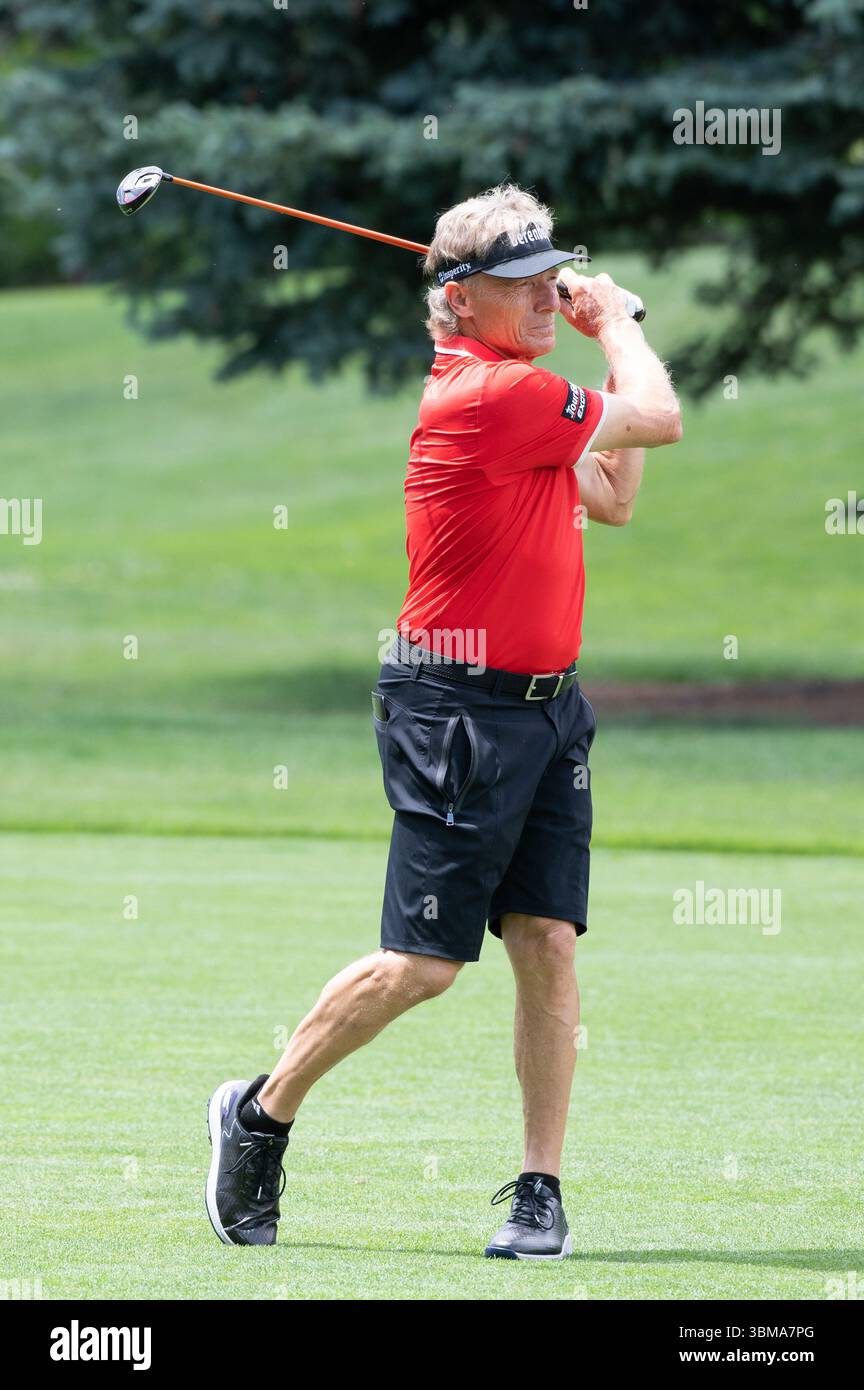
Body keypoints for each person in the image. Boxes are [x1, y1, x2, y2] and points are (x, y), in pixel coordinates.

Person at [205, 184, 682, 1258]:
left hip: (549, 709)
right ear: (461, 301)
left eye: (551, 279)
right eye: (522, 287)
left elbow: (615, 495)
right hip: (453, 706)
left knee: (549, 944)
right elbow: (660, 418)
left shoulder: (523, 390)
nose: (547, 299)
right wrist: (622, 330)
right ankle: (259, 1111)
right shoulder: (484, 396)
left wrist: (607, 343)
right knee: (423, 965)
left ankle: (538, 1191)